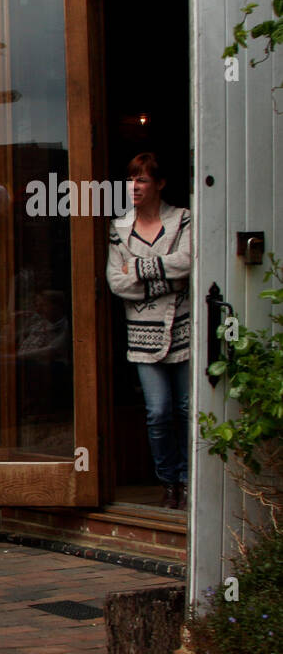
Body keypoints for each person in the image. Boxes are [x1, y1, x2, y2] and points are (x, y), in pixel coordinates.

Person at [106, 152, 191, 509]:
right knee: (158, 411)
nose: (134, 187)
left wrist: (138, 268)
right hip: (143, 336)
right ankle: (169, 481)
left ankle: (190, 481)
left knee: (188, 409)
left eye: (141, 180)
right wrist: (165, 281)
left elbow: (187, 263)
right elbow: (116, 282)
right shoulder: (119, 227)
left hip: (183, 330)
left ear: (160, 184)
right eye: (130, 179)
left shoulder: (183, 219)